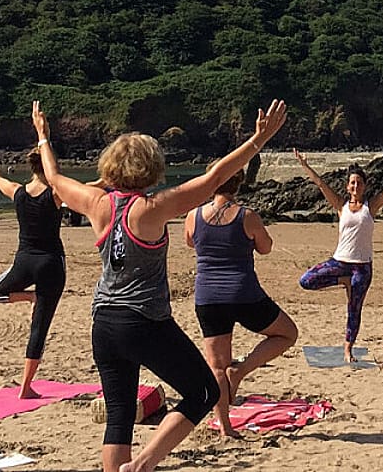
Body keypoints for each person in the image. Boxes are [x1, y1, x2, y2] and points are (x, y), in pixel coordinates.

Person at [31, 99, 286, 472]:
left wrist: (43, 136)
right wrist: (258, 140)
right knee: (203, 392)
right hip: (143, 321)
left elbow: (53, 178)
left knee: (119, 415)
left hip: (104, 322)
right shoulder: (151, 209)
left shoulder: (97, 203)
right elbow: (214, 178)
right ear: (151, 168)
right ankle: (142, 464)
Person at [183, 166, 299, 437]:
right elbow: (266, 247)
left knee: (216, 366)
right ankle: (241, 370)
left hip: (208, 297)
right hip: (243, 294)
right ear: (237, 185)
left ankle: (225, 426)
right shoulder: (247, 216)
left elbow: (191, 242)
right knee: (287, 333)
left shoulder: (193, 215)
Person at [295, 147, 383, 363]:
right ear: (348, 186)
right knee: (306, 281)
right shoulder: (341, 205)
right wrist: (305, 165)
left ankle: (348, 349)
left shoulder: (370, 206)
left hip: (362, 267)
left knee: (354, 309)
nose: (356, 186)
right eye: (352, 183)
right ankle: (342, 280)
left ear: (364, 186)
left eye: (359, 183)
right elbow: (321, 184)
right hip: (339, 262)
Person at [0, 137, 66, 399]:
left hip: (25, 261)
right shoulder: (56, 194)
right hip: (51, 264)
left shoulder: (18, 192)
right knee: (39, 327)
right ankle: (25, 386)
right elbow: (90, 189)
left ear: (31, 167)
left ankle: (30, 297)